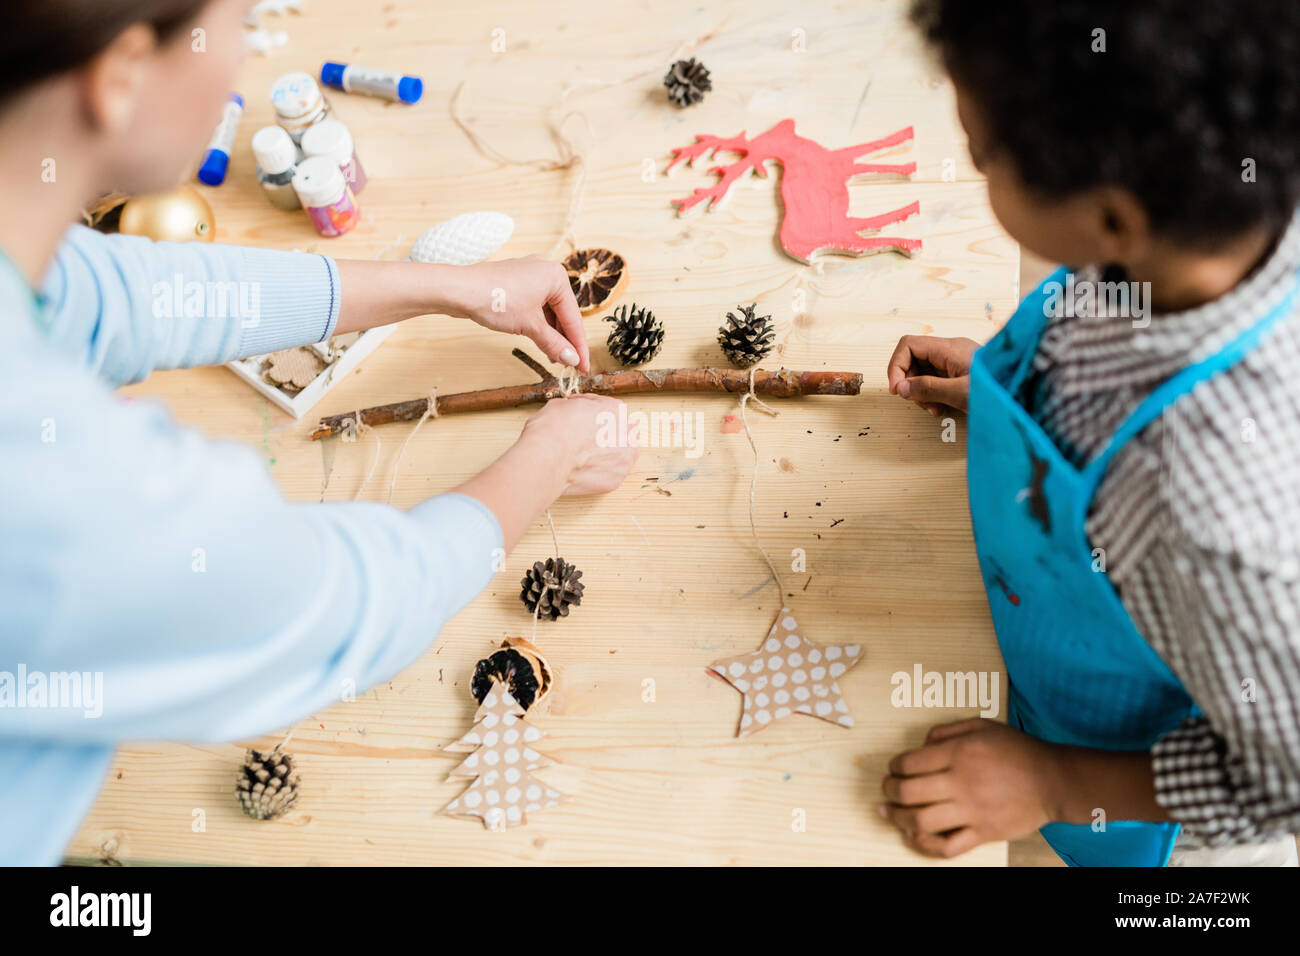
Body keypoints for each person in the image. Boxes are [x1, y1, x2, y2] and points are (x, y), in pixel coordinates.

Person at [0, 0, 637, 865]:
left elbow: (129, 293)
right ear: (118, 76)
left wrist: (451, 287)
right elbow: (346, 608)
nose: (243, 62)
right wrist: (554, 451)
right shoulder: (62, 486)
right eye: (241, 27)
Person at [879, 0, 1300, 866]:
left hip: (1113, 762)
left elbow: (1281, 781)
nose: (975, 163)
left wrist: (1051, 784)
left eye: (981, 154)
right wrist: (1027, 398)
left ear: (1113, 222)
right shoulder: (1224, 213)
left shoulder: (1213, 519)